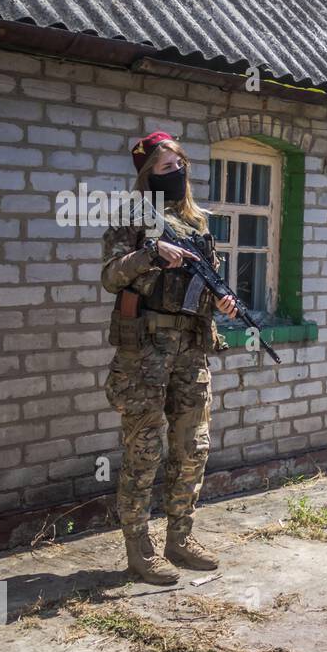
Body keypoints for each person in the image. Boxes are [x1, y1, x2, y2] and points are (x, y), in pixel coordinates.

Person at [100, 131, 236, 584]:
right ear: (146, 175)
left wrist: (223, 302)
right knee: (144, 450)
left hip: (190, 351)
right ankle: (140, 550)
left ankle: (181, 538)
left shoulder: (196, 223)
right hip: (145, 353)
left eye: (180, 165)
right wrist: (150, 254)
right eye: (164, 168)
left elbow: (204, 286)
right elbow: (109, 276)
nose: (176, 173)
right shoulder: (133, 219)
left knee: (192, 446)